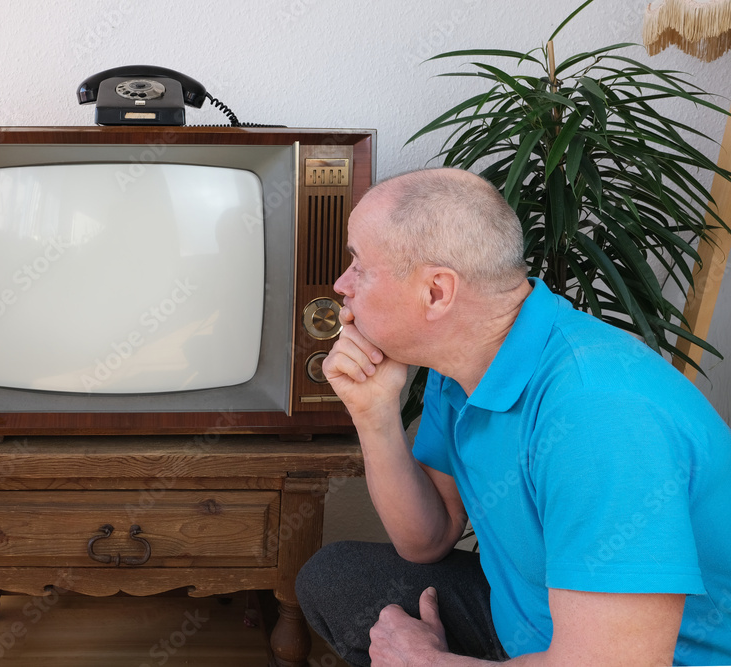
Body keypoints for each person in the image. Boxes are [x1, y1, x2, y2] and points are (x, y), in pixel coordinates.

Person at [295, 167, 731, 666]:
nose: (341, 285)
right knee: (336, 578)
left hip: (634, 656)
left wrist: (429, 661)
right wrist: (374, 414)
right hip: (532, 625)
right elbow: (427, 540)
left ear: (436, 292)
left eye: (360, 267)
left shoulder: (598, 414)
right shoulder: (457, 363)